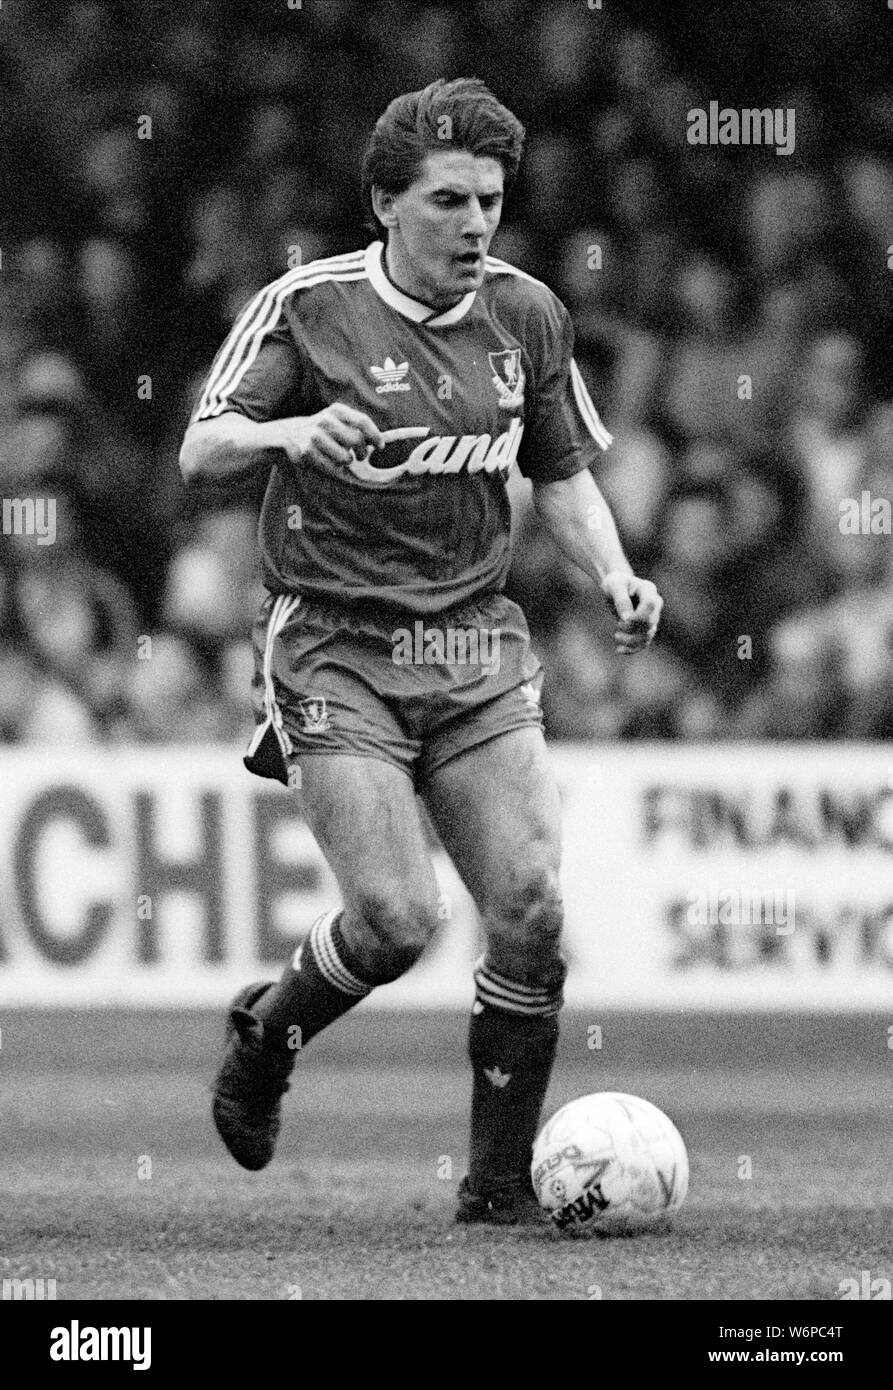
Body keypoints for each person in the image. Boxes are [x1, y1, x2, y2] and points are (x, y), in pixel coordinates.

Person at [179, 78, 663, 1225]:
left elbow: (559, 473)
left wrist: (611, 572)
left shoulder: (526, 315)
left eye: (489, 200)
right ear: (385, 204)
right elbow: (202, 450)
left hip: (473, 639)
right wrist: (293, 429)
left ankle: (495, 1187)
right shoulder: (308, 307)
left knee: (530, 907)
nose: (475, 222)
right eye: (448, 200)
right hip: (333, 644)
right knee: (397, 920)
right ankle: (267, 1034)